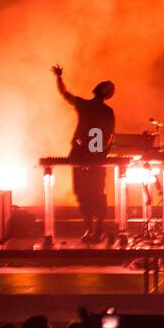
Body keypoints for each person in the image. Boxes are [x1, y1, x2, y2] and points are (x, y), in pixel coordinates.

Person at [52, 65, 115, 242]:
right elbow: (109, 137)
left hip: (85, 155)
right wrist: (100, 154)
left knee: (90, 192)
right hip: (89, 156)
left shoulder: (93, 108)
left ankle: (96, 229)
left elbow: (65, 94)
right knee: (87, 192)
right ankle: (93, 229)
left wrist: (59, 78)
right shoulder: (101, 110)